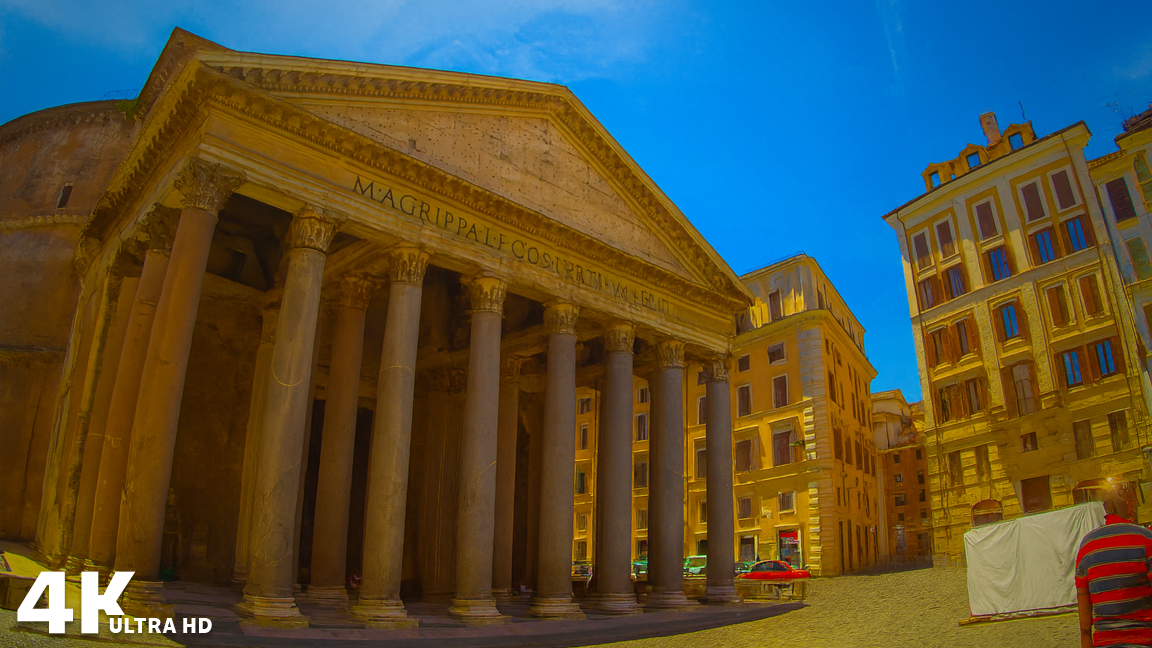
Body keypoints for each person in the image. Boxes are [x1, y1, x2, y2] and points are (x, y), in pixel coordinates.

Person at [1075, 499, 1152, 647]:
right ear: (1130, 509)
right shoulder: (1145, 538)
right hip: (1144, 639)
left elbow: (1084, 612)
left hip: (1105, 641)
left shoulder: (1088, 545)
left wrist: (1086, 641)